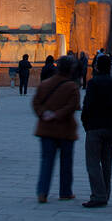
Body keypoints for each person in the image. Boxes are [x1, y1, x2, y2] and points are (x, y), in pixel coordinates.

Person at [32, 54, 81, 202]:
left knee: (46, 161)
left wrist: (44, 113)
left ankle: (42, 192)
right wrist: (57, 115)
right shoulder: (72, 87)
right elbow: (73, 106)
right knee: (66, 162)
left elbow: (36, 103)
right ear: (71, 70)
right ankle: (65, 191)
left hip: (46, 128)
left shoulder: (44, 84)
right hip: (65, 129)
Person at [80, 53, 112, 207]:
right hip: (110, 127)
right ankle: (105, 193)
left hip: (95, 127)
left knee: (93, 163)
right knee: (107, 162)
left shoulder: (94, 83)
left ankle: (98, 195)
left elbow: (87, 105)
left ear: (96, 66)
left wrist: (85, 122)